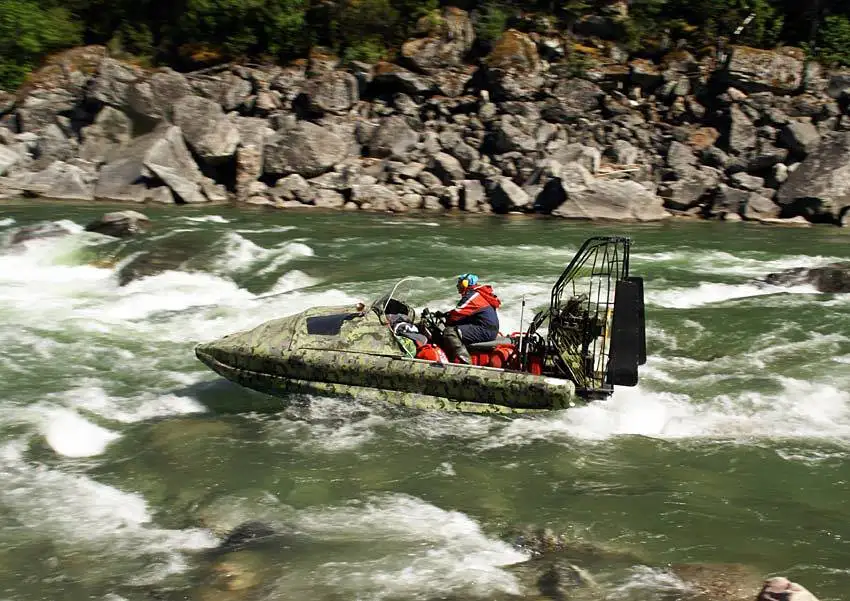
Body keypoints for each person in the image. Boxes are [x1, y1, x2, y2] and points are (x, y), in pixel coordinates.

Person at [439, 273, 501, 364]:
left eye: (459, 283)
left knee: (450, 332)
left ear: (465, 283)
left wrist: (446, 319)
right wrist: (446, 314)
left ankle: (465, 362)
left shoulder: (472, 296)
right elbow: (463, 312)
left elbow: (457, 314)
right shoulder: (479, 293)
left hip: (485, 330)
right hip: (489, 328)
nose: (457, 286)